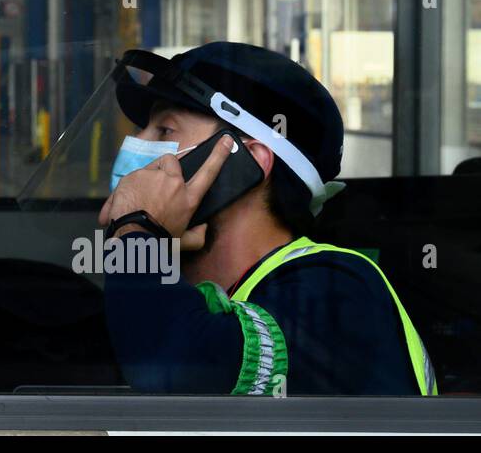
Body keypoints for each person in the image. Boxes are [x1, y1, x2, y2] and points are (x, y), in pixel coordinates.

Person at [27, 41, 436, 396]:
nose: (136, 145)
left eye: (165, 131)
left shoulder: (338, 287)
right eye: (143, 128)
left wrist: (138, 228)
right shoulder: (189, 292)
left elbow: (174, 370)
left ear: (248, 164)